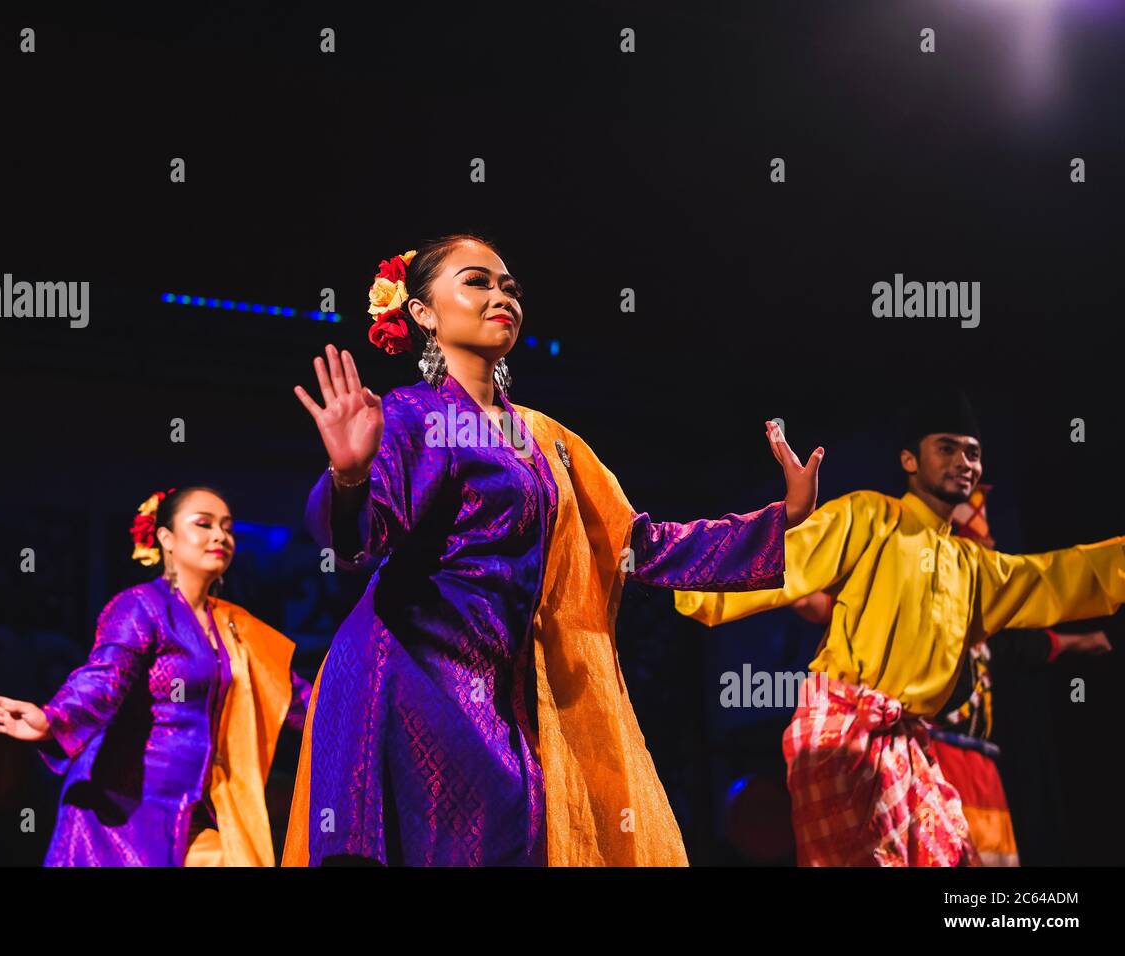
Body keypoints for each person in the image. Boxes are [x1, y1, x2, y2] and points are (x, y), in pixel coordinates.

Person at [284, 233, 823, 866]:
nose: (501, 296)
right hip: (411, 672)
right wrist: (349, 477)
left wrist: (779, 518)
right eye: (477, 282)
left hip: (499, 685)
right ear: (423, 312)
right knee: (497, 828)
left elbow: (637, 546)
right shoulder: (413, 413)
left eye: (508, 286)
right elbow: (360, 537)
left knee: (528, 826)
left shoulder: (546, 438)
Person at [675, 393, 1125, 866]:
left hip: (909, 744)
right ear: (910, 459)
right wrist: (685, 571)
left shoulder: (973, 566)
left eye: (973, 453)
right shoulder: (870, 516)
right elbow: (787, 561)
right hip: (842, 733)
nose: (964, 462)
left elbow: (1059, 576)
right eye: (947, 448)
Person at [0, 486, 309, 865]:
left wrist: (362, 708)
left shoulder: (234, 626)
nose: (220, 536)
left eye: (227, 528)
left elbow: (292, 694)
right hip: (123, 813)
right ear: (165, 538)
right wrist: (54, 719)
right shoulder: (142, 606)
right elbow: (104, 679)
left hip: (197, 811)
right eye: (204, 524)